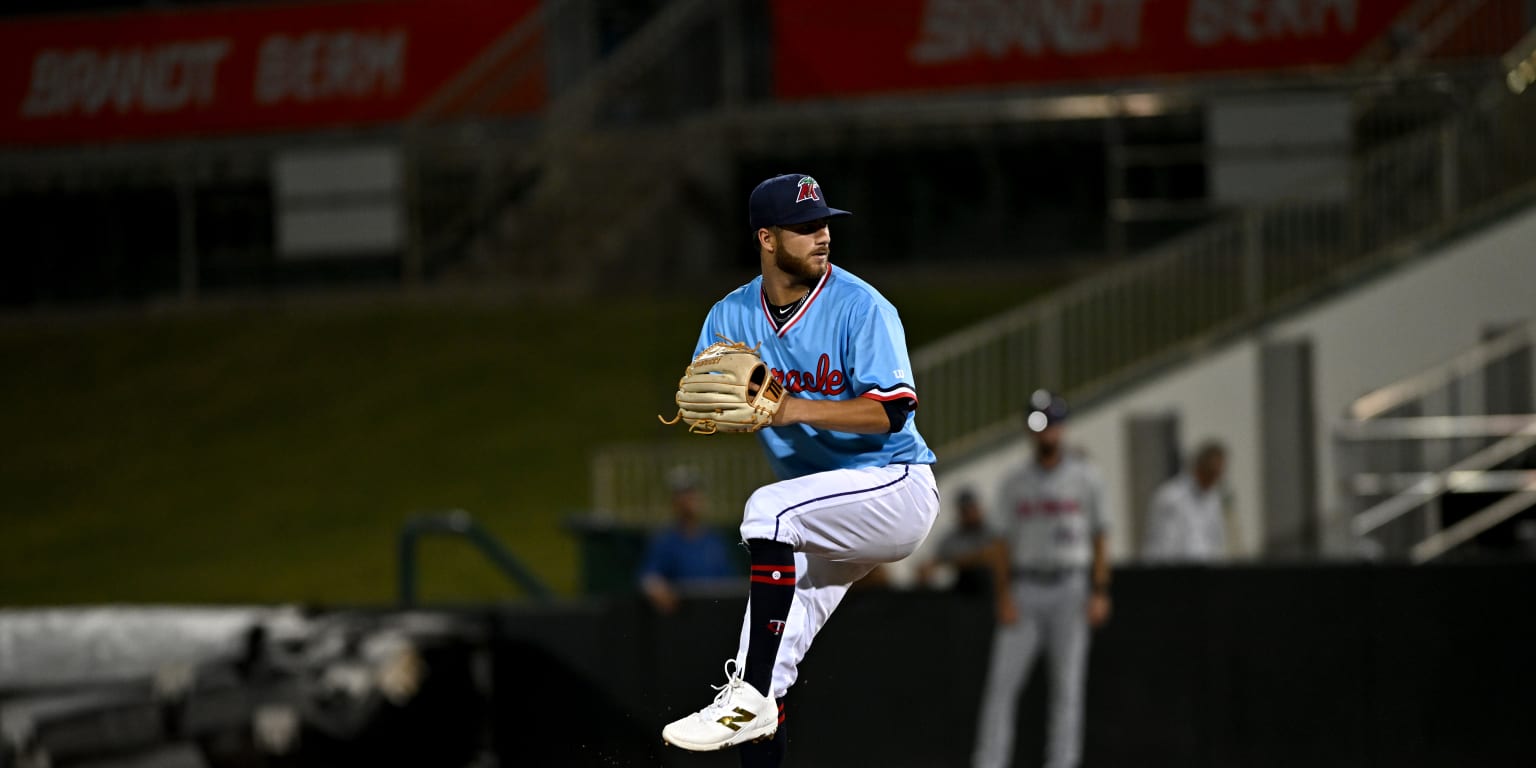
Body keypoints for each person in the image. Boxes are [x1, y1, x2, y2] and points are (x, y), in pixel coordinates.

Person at [659, 174, 939, 767]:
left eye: (825, 223)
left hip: (894, 487)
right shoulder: (731, 316)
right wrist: (718, 409)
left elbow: (893, 412)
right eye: (806, 227)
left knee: (767, 509)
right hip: (823, 518)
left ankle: (754, 695)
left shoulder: (861, 307)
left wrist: (788, 407)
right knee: (763, 667)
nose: (823, 236)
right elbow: (707, 395)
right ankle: (756, 702)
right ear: (766, 237)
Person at [974, 390, 1111, 768]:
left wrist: (1100, 589)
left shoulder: (1086, 476)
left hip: (1071, 586)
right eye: (1039, 426)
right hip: (1026, 587)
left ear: (1062, 427)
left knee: (1067, 689)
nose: (1046, 433)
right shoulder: (1014, 480)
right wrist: (1003, 595)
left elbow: (1101, 535)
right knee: (1001, 689)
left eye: (1051, 424)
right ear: (1029, 431)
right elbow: (1000, 543)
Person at [638, 467, 737, 614]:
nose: (689, 500)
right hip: (681, 617)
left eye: (693, 493)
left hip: (714, 616)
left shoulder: (715, 540)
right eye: (683, 494)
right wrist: (656, 587)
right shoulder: (665, 541)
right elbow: (649, 578)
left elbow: (730, 582)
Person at [1142, 440, 1232, 563]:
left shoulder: (1214, 500)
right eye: (1213, 473)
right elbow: (1163, 546)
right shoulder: (1170, 497)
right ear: (1200, 467)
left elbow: (1215, 542)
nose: (1217, 478)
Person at [917, 489, 1001, 596]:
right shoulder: (951, 539)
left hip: (991, 592)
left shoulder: (993, 532)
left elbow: (993, 557)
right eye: (965, 511)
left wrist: (964, 560)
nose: (970, 515)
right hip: (960, 593)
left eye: (972, 509)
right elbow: (934, 564)